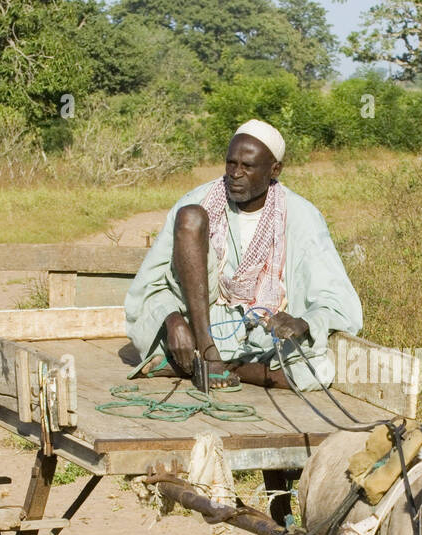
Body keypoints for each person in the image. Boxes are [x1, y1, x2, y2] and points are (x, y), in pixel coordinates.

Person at [124, 119, 363, 390]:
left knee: (318, 372)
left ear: (275, 170)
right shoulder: (200, 198)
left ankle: (219, 367)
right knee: (191, 218)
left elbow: (337, 300)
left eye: (247, 167)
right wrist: (173, 319)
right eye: (230, 164)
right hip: (202, 319)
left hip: (262, 330)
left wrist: (303, 322)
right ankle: (207, 353)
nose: (235, 174)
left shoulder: (301, 215)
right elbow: (151, 283)